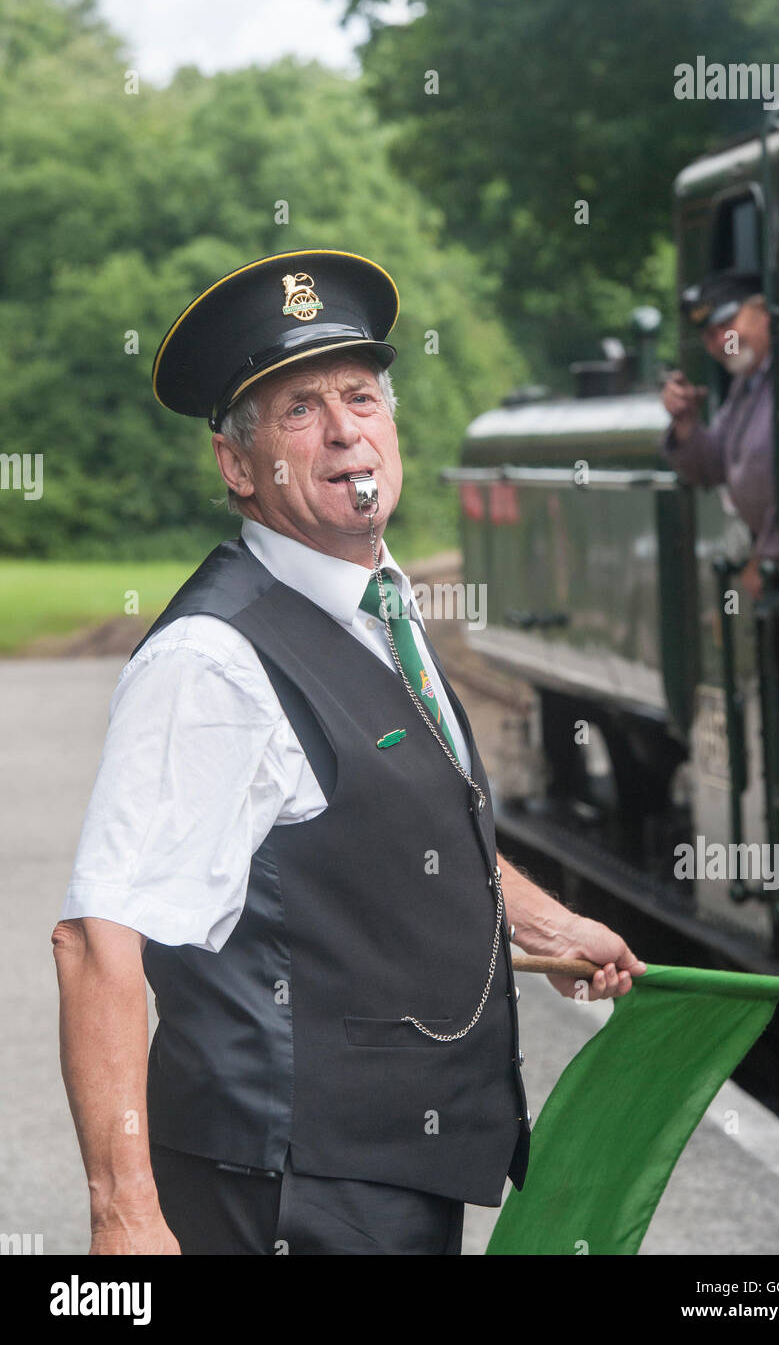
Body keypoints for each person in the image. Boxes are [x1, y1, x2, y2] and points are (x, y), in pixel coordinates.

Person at [52, 249, 646, 1257]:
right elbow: (98, 941)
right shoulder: (211, 661)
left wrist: (544, 921)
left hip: (389, 1178)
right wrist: (123, 1214)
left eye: (360, 396)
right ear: (237, 465)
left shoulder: (380, 606)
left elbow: (386, 817)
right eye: (297, 410)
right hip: (282, 1193)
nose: (342, 431)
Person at [661, 270, 779, 599]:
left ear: (763, 312)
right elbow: (712, 467)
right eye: (709, 334)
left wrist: (771, 552)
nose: (720, 342)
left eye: (727, 325)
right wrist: (685, 421)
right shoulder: (746, 383)